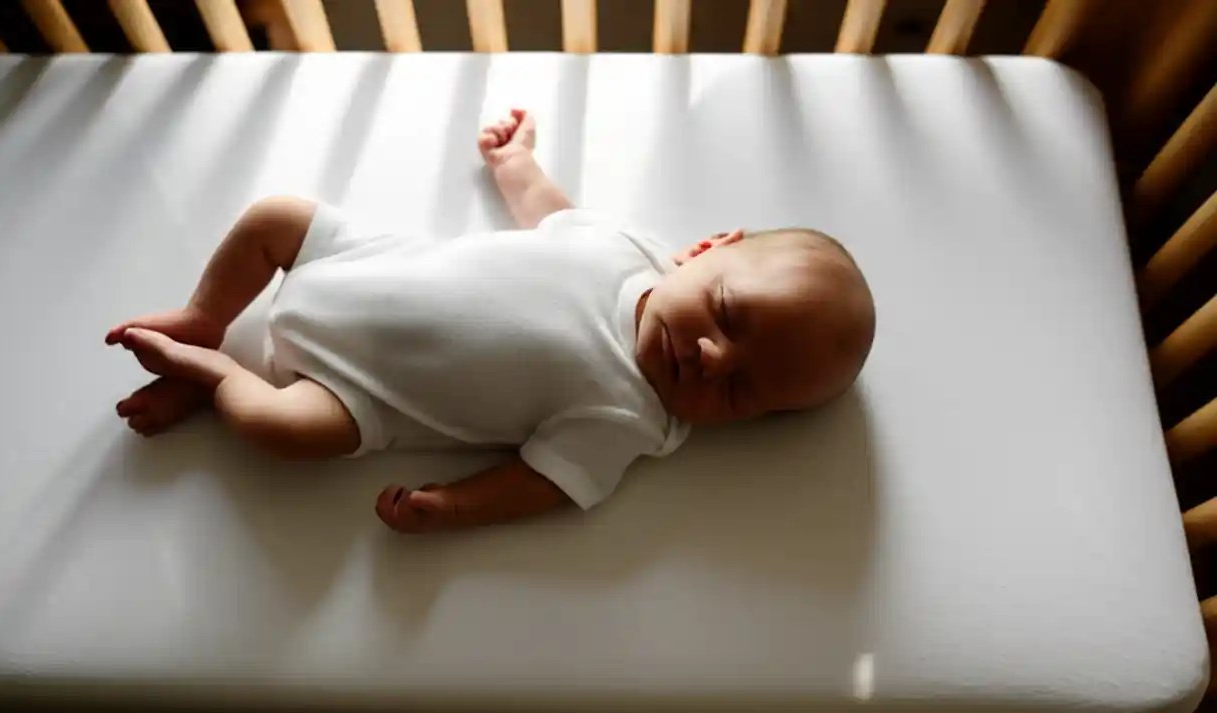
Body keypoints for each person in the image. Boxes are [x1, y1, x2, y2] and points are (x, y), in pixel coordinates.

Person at [106, 109, 876, 534]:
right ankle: (204, 319)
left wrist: (454, 508)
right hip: (355, 262)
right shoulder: (627, 246)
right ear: (705, 250)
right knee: (276, 215)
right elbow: (553, 216)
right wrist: (516, 166)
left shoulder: (628, 421)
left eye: (739, 390)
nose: (713, 357)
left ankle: (213, 377)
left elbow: (539, 484)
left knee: (284, 432)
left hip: (357, 395)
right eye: (728, 314)